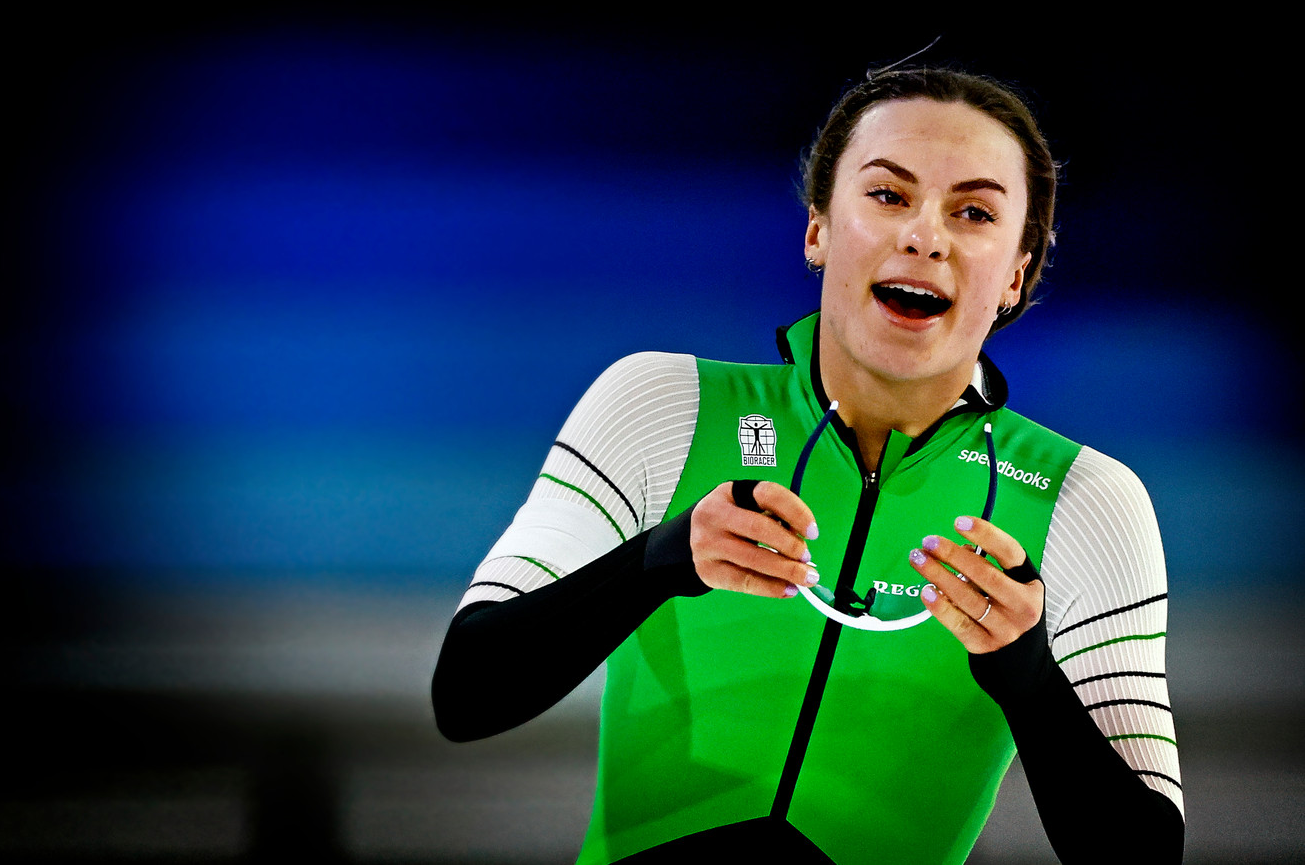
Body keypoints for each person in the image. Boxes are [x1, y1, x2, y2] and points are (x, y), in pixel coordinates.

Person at [432, 67, 1184, 864]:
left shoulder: (1088, 502)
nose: (924, 237)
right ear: (818, 228)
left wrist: (1026, 673)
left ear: (1016, 273)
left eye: (972, 212)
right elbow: (468, 692)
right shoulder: (660, 404)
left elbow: (1140, 854)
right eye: (888, 196)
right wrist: (659, 561)